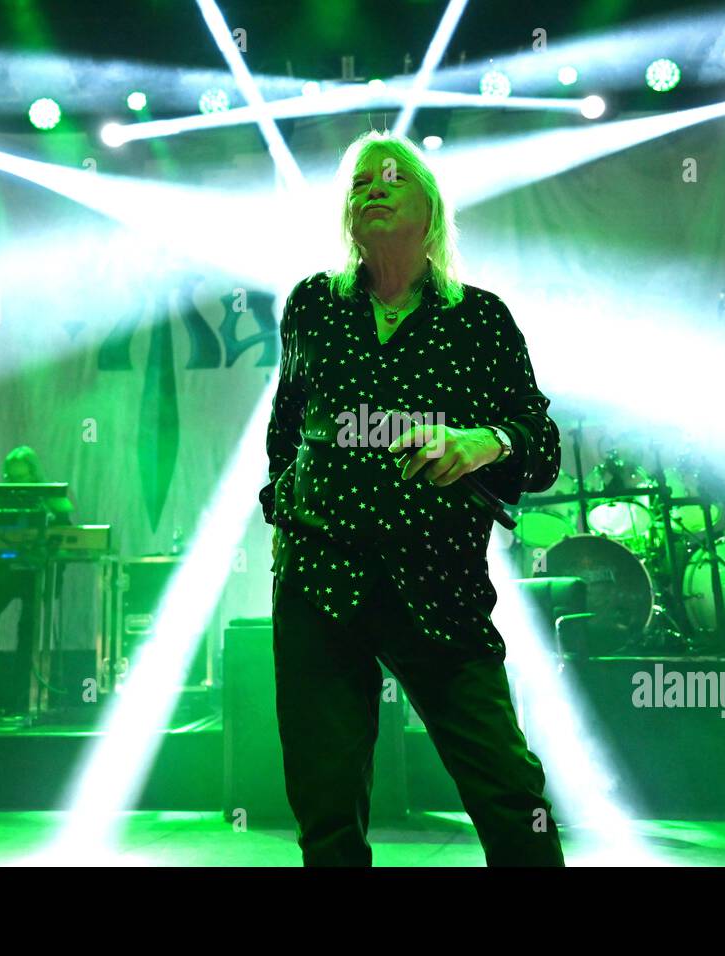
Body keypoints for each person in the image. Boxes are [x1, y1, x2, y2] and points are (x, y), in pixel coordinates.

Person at [259, 130, 565, 866]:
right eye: (360, 181)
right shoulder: (311, 305)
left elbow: (541, 442)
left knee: (508, 792)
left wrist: (482, 442)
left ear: (432, 207)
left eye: (392, 176)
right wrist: (280, 510)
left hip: (438, 581)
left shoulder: (479, 317)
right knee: (325, 809)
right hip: (321, 578)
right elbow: (285, 424)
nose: (373, 186)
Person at [0, 446, 67, 713]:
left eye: (19, 478)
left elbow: (66, 538)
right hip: (8, 573)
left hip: (37, 575)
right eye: (9, 478)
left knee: (29, 630)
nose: (13, 484)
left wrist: (43, 554)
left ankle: (23, 699)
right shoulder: (3, 501)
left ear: (34, 476)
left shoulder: (51, 501)